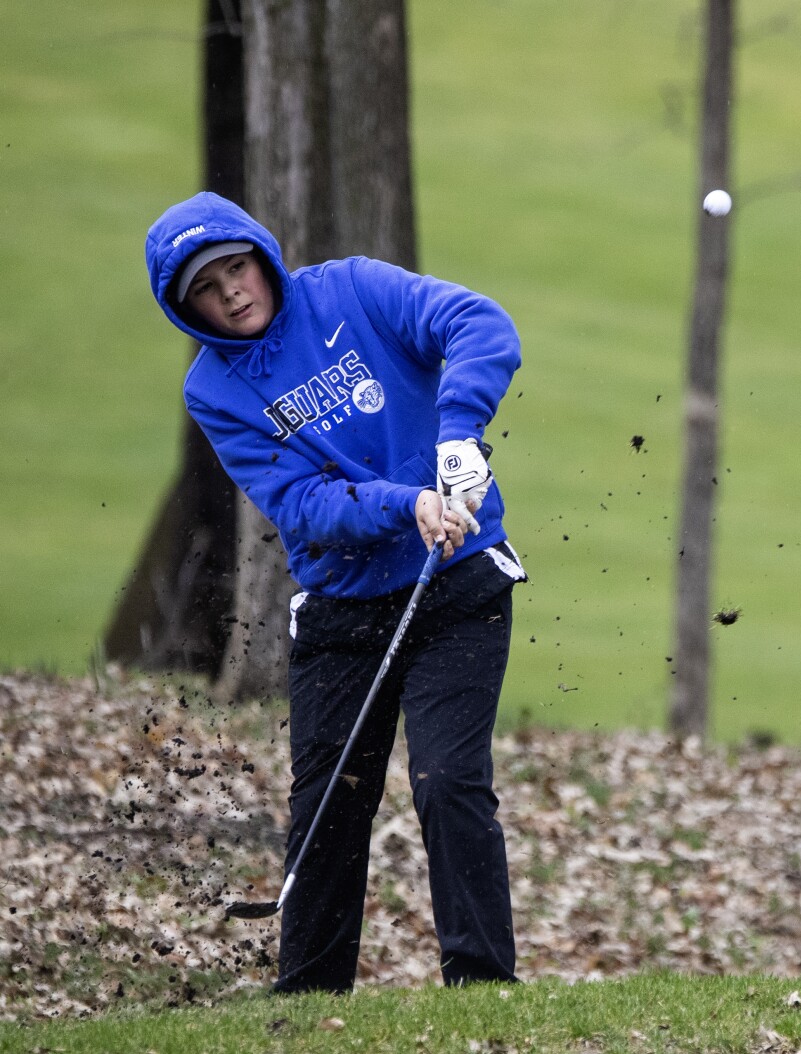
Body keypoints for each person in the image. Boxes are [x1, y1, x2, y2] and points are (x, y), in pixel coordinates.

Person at [144, 191, 526, 992]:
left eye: (236, 267)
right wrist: (407, 502)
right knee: (330, 804)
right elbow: (305, 509)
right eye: (207, 288)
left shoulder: (351, 290)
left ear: (260, 255)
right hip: (343, 612)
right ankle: (308, 1002)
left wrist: (458, 434)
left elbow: (481, 324)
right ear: (188, 309)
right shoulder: (215, 391)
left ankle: (483, 987)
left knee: (448, 780)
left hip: (455, 585)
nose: (232, 292)